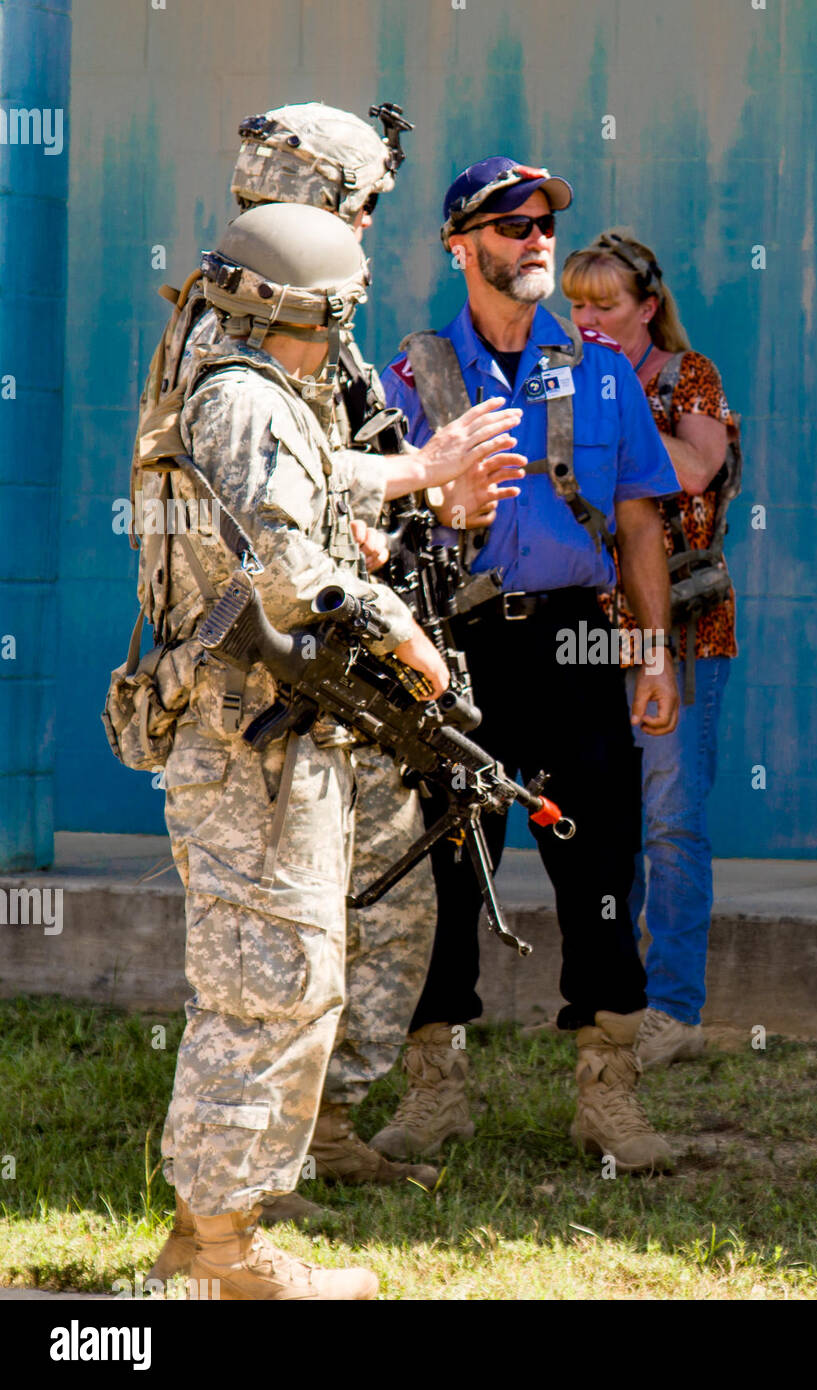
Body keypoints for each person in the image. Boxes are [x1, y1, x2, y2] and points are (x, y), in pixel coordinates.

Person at [145, 104, 526, 1285]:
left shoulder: (240, 354)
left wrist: (415, 468)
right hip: (246, 729)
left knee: (287, 977)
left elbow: (308, 471)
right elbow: (294, 561)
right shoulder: (248, 386)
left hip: (274, 727)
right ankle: (220, 1247)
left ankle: (216, 1235)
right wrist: (402, 627)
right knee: (267, 983)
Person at [375, 156, 682, 1173]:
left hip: (574, 643)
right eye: (510, 225)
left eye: (545, 221)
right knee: (445, 870)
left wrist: (651, 651)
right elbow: (365, 514)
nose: (536, 238)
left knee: (600, 868)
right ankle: (435, 1095)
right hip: (449, 653)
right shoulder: (412, 378)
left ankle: (608, 1099)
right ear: (461, 248)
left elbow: (640, 519)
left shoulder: (600, 371)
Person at [562, 230, 736, 1069]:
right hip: (589, 629)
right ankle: (616, 1003)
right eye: (576, 303)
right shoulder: (565, 379)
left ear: (647, 308)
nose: (587, 317)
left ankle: (674, 1010)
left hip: (682, 629)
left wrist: (614, 418)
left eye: (605, 304)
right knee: (606, 824)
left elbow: (697, 471)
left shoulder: (684, 375)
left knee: (671, 823)